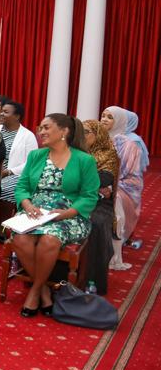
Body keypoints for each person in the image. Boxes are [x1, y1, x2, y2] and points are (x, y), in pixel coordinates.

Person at [11, 114, 99, 318]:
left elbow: (89, 196)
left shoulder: (84, 160)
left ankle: (34, 292)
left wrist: (67, 213)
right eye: (40, 128)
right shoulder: (36, 156)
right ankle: (43, 290)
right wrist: (27, 204)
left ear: (64, 131)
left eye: (46, 127)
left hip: (69, 215)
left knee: (49, 239)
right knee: (20, 238)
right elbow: (22, 187)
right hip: (35, 211)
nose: (41, 132)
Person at [82, 119, 121, 289]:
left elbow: (104, 179)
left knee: (96, 224)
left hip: (99, 203)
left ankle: (92, 279)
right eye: (80, 131)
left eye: (86, 132)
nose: (82, 136)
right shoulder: (75, 150)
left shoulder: (108, 153)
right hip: (74, 197)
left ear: (98, 135)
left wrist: (84, 181)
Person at [101, 106, 147, 245]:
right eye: (103, 116)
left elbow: (124, 171)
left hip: (125, 184)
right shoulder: (99, 138)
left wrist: (108, 186)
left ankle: (112, 237)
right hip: (104, 180)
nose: (104, 119)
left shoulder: (128, 144)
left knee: (111, 198)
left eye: (110, 117)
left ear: (120, 121)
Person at [0, 100, 38, 204]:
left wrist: (8, 172)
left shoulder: (28, 136)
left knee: (2, 190)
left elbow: (31, 162)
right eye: (1, 111)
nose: (1, 114)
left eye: (6, 112)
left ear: (17, 116)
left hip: (14, 175)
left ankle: (5, 214)